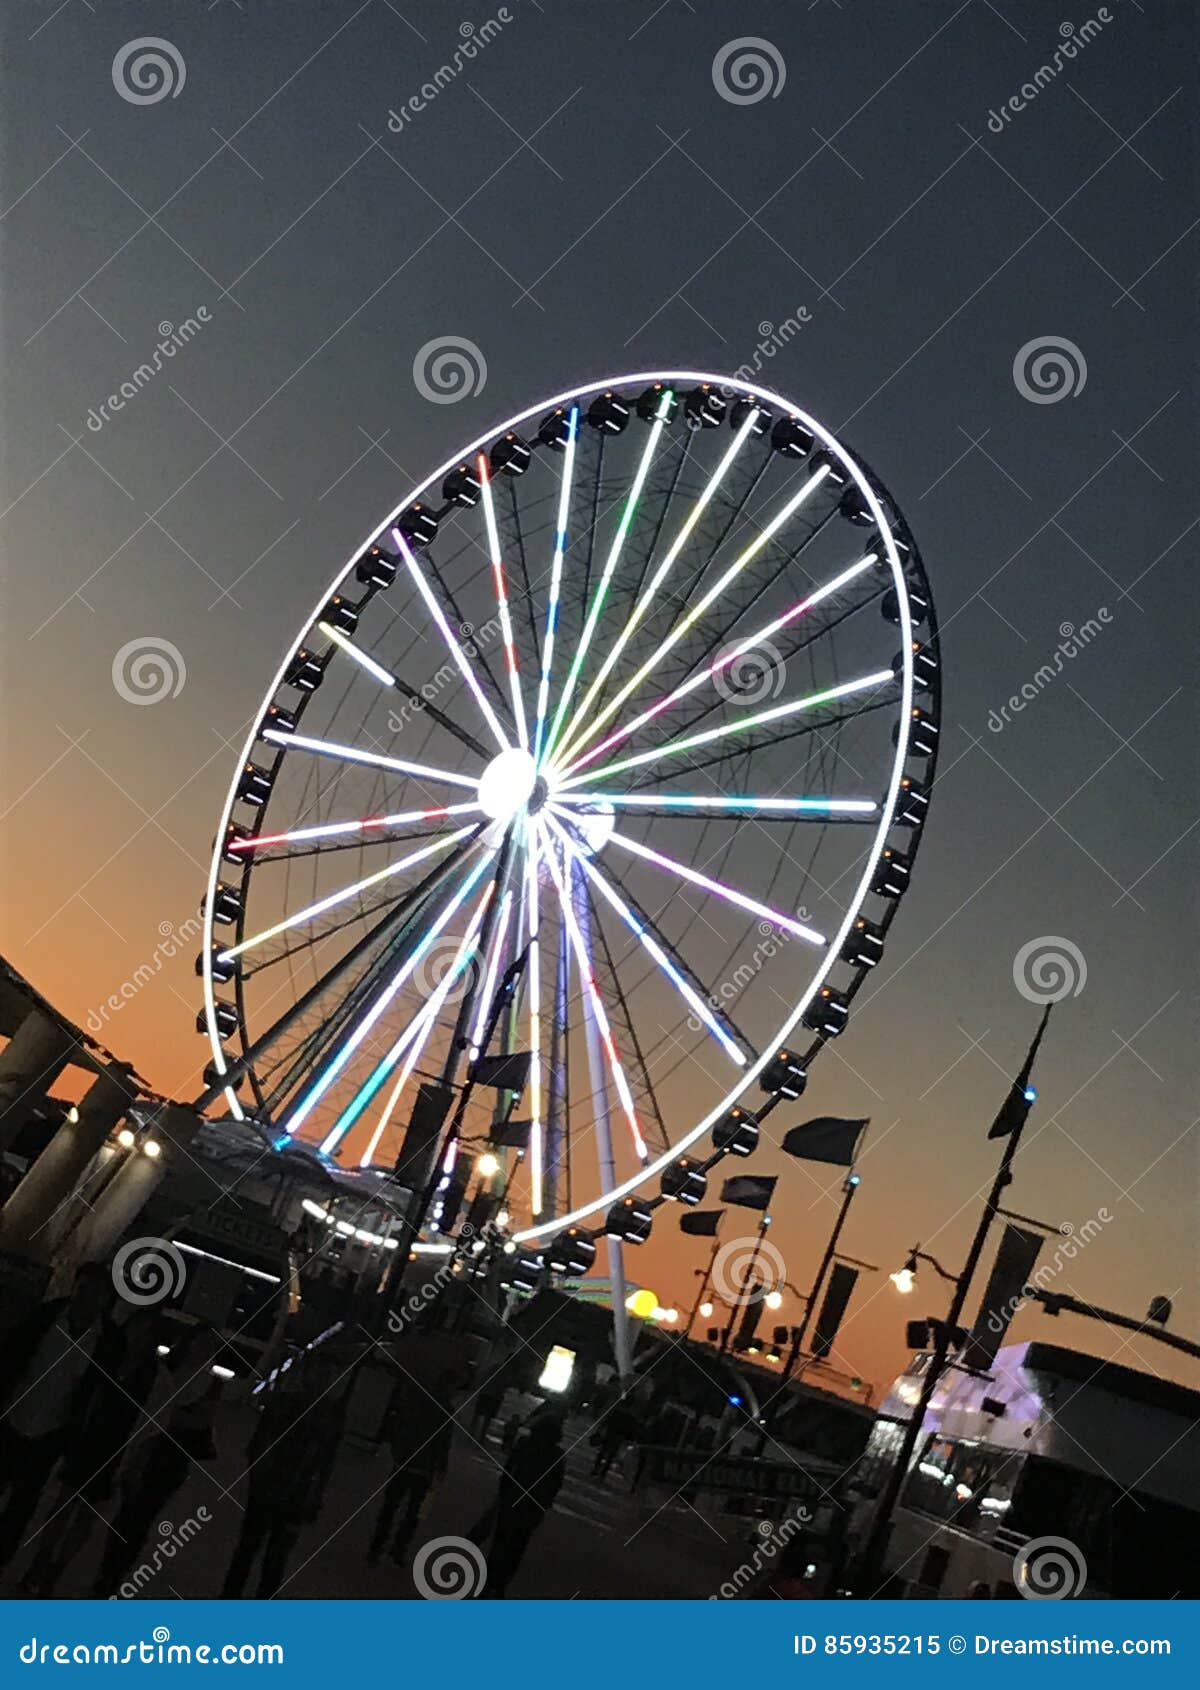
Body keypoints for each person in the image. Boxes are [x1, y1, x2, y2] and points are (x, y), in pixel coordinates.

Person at [19, 1300, 165, 1594]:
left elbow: (149, 1424)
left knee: (83, 1514)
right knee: (66, 1504)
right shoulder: (115, 1359)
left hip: (114, 1449)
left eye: (144, 1332)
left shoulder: (148, 1374)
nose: (138, 1337)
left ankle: (51, 1568)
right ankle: (44, 1562)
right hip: (91, 1440)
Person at [91, 1323, 224, 1597]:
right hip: (148, 1449)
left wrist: (162, 1410)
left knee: (139, 1520)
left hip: (168, 1460)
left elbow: (198, 1420)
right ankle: (108, 1574)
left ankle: (111, 1577)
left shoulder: (199, 1381)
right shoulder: (183, 1375)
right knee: (127, 1516)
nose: (204, 1349)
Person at [0, 1263, 112, 1570]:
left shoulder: (102, 1342)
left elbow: (92, 1394)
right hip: (14, 1418)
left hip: (49, 1433)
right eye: (84, 1289)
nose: (87, 1298)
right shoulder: (46, 1319)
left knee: (22, 1504)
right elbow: (12, 1357)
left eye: (95, 1292)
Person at [219, 1344, 351, 1599]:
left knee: (256, 1551)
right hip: (285, 1490)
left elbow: (260, 1445)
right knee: (267, 1555)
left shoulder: (294, 1405)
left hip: (283, 1491)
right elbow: (324, 1459)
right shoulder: (325, 1411)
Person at [368, 1366, 456, 1565]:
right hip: (424, 1469)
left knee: (390, 1506)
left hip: (405, 1461)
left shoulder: (418, 1401)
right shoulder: (445, 1411)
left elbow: (402, 1424)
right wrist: (441, 1466)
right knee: (414, 1512)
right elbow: (443, 1442)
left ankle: (378, 1544)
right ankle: (399, 1548)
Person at [480, 1404, 566, 1598]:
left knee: (499, 1543)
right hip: (533, 1506)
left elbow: (509, 1470)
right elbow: (555, 1484)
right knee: (517, 1547)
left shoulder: (524, 1443)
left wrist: (503, 1493)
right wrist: (544, 1505)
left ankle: (488, 1582)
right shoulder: (557, 1456)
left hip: (512, 1499)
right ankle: (500, 1585)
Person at [589, 1394, 636, 1483]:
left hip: (611, 1434)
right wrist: (629, 1438)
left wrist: (601, 1429)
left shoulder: (617, 1412)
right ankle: (602, 1473)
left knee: (603, 1452)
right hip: (618, 1437)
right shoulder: (629, 1417)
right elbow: (630, 1430)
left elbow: (607, 1421)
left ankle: (596, 1469)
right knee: (610, 1455)